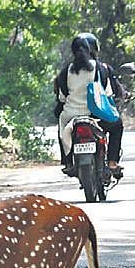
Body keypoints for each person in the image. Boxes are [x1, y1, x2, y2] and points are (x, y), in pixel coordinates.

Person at [53, 33, 124, 180]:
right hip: (95, 115)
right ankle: (111, 162)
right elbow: (109, 93)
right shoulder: (99, 68)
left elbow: (61, 97)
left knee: (61, 127)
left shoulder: (66, 71)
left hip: (71, 116)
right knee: (117, 126)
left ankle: (67, 162)